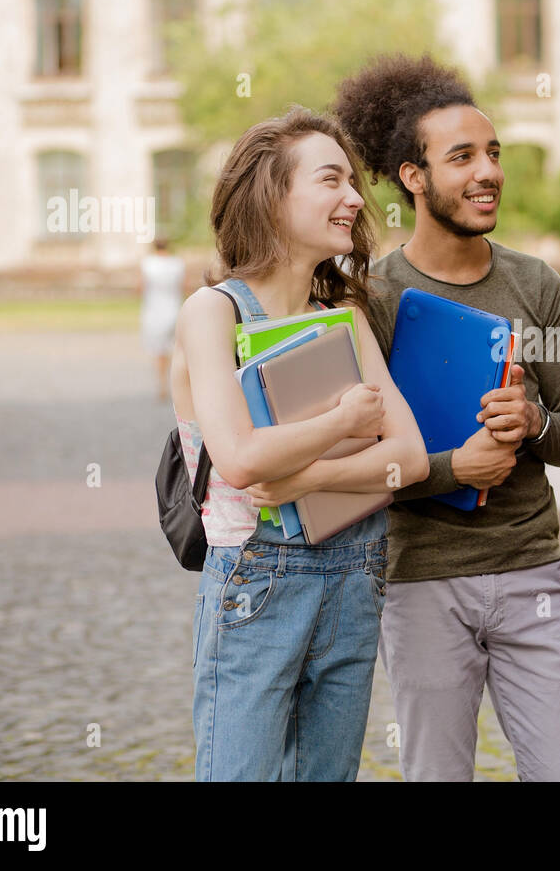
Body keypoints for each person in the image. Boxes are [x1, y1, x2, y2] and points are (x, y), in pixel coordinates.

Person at [333, 54, 560, 782]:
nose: (488, 172)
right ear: (413, 177)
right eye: (462, 158)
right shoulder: (373, 300)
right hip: (419, 584)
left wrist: (533, 422)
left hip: (531, 575)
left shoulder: (536, 283)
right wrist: (455, 469)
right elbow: (349, 474)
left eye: (493, 154)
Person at [171, 106, 428, 781]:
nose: (353, 199)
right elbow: (242, 458)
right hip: (257, 584)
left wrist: (308, 478)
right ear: (272, 195)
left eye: (353, 183)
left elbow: (413, 458)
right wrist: (342, 426)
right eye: (330, 180)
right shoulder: (214, 312)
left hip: (354, 579)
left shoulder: (344, 317)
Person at [139, 238, 186, 401]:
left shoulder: (148, 263)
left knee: (159, 352)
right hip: (173, 308)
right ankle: (177, 386)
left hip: (154, 311)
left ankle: (162, 385)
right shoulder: (177, 263)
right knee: (175, 350)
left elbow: (141, 287)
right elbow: (182, 286)